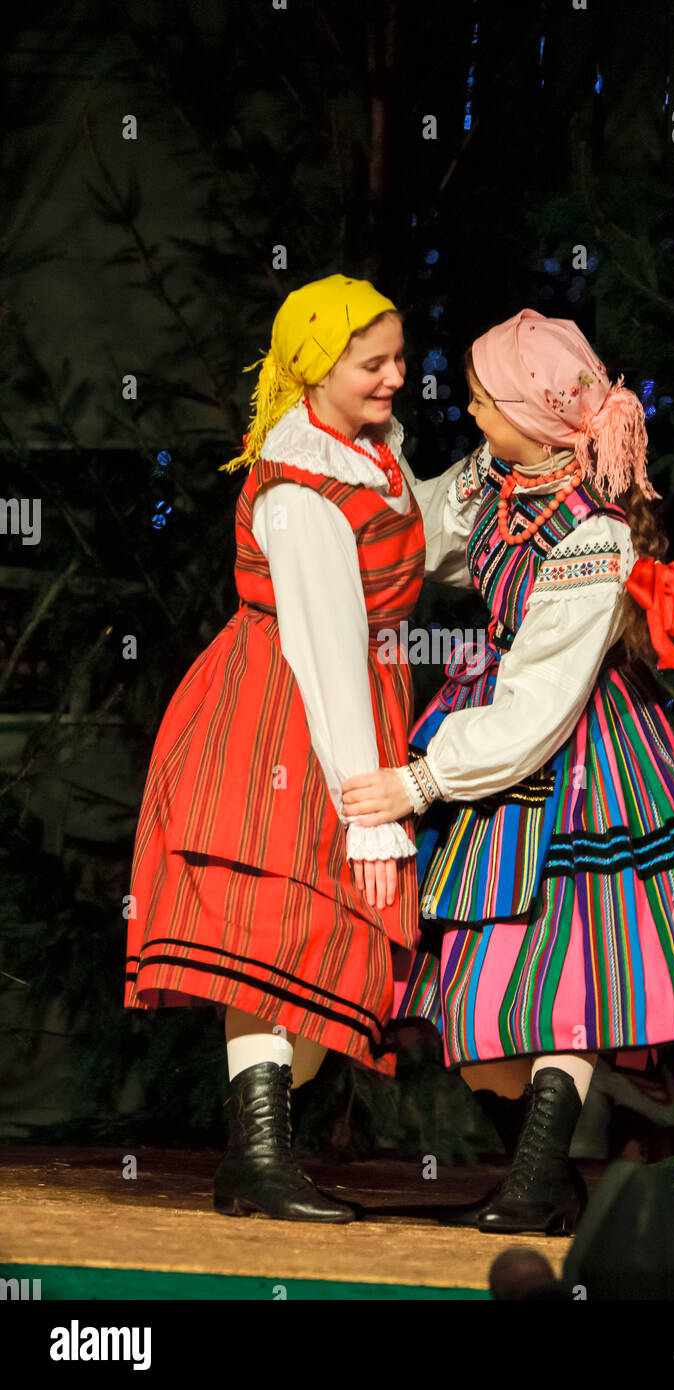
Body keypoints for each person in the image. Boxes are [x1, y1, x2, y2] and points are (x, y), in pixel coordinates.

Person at [342, 308, 674, 1236]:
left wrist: (421, 780)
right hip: (494, 730)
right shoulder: (500, 480)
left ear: (538, 414)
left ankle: (532, 1182)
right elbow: (425, 536)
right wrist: (370, 436)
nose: (472, 415)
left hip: (571, 758)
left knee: (563, 973)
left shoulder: (593, 540)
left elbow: (539, 705)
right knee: (479, 1001)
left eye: (485, 402)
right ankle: (548, 1176)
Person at [124, 274, 426, 1223]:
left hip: (339, 702)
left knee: (300, 931)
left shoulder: (368, 450)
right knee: (271, 917)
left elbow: (415, 538)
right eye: (370, 363)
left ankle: (257, 1156)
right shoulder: (302, 493)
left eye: (398, 358)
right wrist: (367, 810)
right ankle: (255, 1156)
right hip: (287, 714)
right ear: (313, 366)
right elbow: (328, 652)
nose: (393, 378)